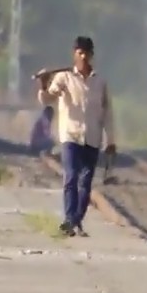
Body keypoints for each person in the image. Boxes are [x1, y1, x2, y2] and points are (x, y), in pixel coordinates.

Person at [37, 36, 116, 238]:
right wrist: (43, 85)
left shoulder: (100, 82)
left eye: (86, 53)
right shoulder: (63, 78)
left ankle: (76, 220)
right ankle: (69, 219)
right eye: (80, 53)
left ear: (91, 55)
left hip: (92, 137)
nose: (83, 57)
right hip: (70, 136)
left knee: (86, 183)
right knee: (71, 177)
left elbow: (107, 113)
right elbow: (48, 99)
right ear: (74, 54)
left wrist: (111, 140)